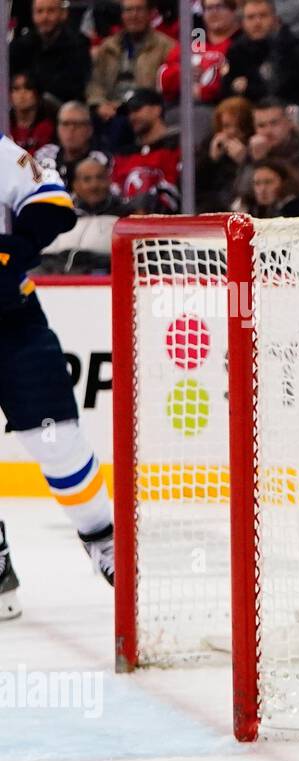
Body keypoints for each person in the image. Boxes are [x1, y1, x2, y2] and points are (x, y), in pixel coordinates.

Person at [0, 133, 115, 618]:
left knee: (57, 439)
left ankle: (103, 540)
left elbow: (50, 200)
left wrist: (13, 252)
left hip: (11, 319)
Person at [85, 0, 176, 129]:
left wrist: (135, 107)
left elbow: (164, 89)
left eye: (139, 10)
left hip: (144, 109)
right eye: (128, 10)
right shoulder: (108, 46)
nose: (134, 15)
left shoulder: (166, 47)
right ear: (122, 15)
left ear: (150, 14)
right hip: (109, 108)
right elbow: (96, 83)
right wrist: (99, 104)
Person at [8, 0, 93, 106]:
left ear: (63, 14)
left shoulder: (78, 44)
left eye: (51, 11)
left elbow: (75, 86)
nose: (45, 17)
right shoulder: (20, 46)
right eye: (39, 11)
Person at [196, 97, 255, 212]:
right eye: (227, 126)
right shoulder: (211, 143)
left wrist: (245, 161)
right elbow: (195, 186)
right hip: (213, 206)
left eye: (238, 126)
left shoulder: (254, 145)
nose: (232, 131)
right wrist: (210, 159)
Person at [34, 102, 111, 187]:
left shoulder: (100, 161)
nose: (71, 130)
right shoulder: (45, 155)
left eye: (77, 124)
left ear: (89, 130)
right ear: (58, 129)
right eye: (65, 124)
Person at [233, 158, 299, 218]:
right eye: (257, 183)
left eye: (268, 182)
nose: (262, 189)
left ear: (284, 182)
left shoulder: (297, 208)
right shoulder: (248, 206)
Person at [8, 73, 57, 154]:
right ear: (9, 95)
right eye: (16, 88)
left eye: (28, 88)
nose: (22, 94)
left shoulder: (49, 127)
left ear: (37, 94)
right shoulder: (4, 127)